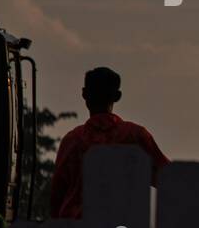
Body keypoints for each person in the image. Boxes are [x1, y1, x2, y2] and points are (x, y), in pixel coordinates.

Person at [49, 67, 170, 219]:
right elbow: (169, 179)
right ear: (117, 96)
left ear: (84, 94)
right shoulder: (135, 136)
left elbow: (56, 196)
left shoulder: (72, 141)